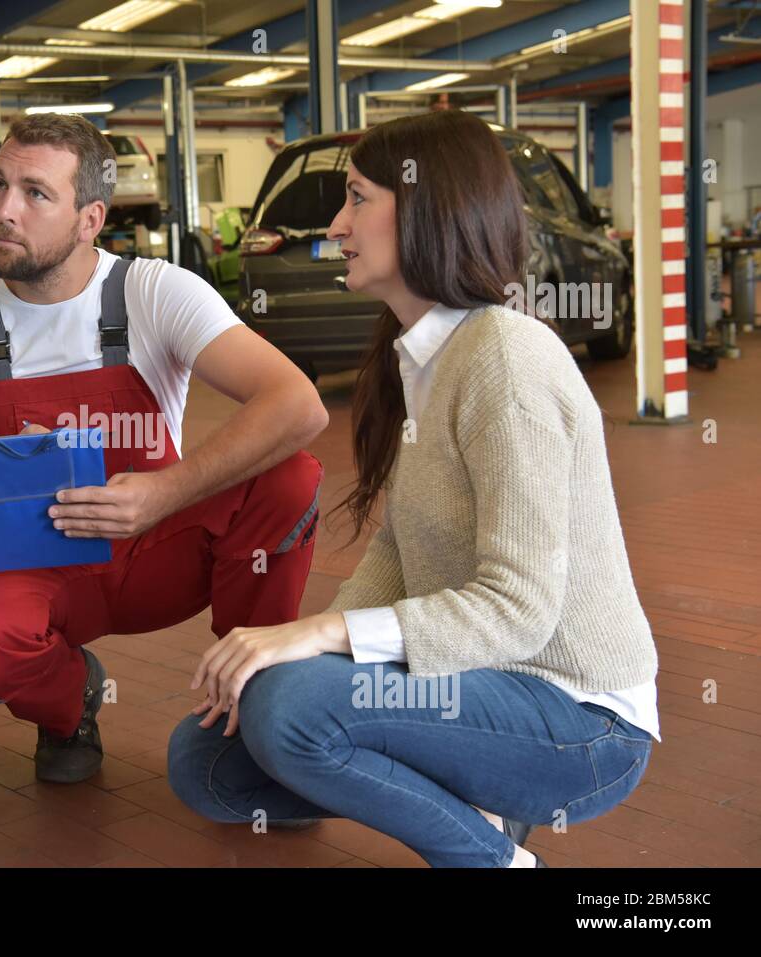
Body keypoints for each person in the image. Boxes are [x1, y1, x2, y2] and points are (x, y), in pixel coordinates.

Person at [167, 109, 660, 868]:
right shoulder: (420, 361)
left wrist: (317, 644)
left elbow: (522, 608)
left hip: (578, 721)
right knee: (205, 760)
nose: (336, 225)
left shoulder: (508, 360)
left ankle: (493, 856)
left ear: (428, 209)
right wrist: (298, 654)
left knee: (291, 713)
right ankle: (472, 797)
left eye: (358, 198)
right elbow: (396, 551)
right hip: (476, 685)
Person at [0, 113, 328, 784]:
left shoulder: (153, 292)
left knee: (288, 477)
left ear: (89, 218)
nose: (4, 209)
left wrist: (164, 491)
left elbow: (296, 403)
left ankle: (256, 696)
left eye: (35, 192)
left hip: (159, 548)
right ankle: (68, 700)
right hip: (37, 558)